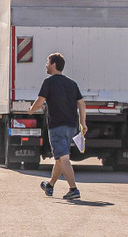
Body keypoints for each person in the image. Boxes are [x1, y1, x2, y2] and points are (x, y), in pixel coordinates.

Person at [28, 52, 87, 200]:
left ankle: (73, 189)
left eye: (48, 63)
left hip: (57, 126)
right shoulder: (72, 83)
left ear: (54, 65)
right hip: (72, 126)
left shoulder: (49, 82)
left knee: (63, 157)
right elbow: (81, 104)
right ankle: (50, 185)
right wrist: (83, 123)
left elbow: (40, 102)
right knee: (60, 158)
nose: (46, 65)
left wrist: (31, 110)